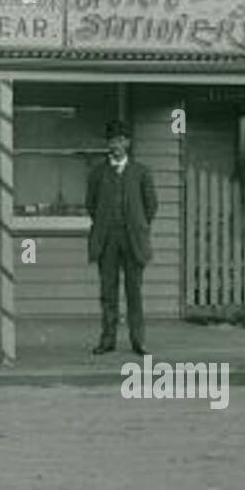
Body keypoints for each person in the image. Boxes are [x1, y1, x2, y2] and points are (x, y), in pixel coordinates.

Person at [86, 119, 158, 356]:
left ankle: (139, 341)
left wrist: (137, 226)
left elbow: (151, 207)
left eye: (119, 140)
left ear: (128, 143)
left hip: (133, 240)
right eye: (111, 141)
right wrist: (106, 225)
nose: (115, 145)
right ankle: (107, 340)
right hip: (107, 240)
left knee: (134, 291)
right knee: (108, 291)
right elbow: (91, 205)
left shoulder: (141, 172)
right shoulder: (98, 173)